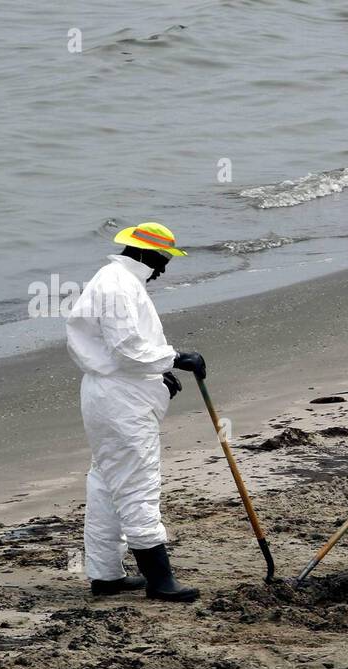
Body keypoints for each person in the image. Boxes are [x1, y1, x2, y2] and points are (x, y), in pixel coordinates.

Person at [65, 221, 207, 602]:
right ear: (146, 253)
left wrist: (160, 371)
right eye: (163, 259)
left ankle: (107, 575)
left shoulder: (118, 280)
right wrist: (176, 359)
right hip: (119, 400)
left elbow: (127, 350)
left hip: (113, 393)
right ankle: (160, 580)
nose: (164, 268)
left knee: (107, 482)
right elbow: (126, 347)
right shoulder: (117, 284)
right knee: (137, 483)